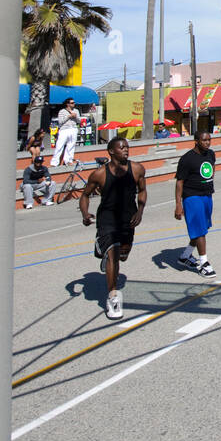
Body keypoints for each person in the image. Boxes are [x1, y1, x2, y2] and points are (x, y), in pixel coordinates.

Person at [79, 137, 146, 320]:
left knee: (123, 254)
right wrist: (85, 214)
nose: (126, 150)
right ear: (111, 151)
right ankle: (113, 298)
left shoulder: (137, 169)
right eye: (121, 147)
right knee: (113, 255)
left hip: (128, 218)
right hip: (107, 219)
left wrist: (140, 210)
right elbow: (84, 195)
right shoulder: (99, 174)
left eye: (127, 147)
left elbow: (142, 190)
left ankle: (105, 252)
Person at [174, 129, 218, 278]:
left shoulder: (211, 154)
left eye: (209, 140)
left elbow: (212, 169)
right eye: (204, 140)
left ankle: (185, 256)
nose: (207, 142)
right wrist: (178, 204)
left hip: (206, 195)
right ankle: (204, 263)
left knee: (202, 228)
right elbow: (179, 182)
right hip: (192, 197)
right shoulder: (187, 159)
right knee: (199, 230)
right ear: (196, 141)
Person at [51, 97, 80, 167]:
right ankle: (54, 162)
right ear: (68, 104)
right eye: (72, 103)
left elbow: (79, 121)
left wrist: (75, 117)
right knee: (59, 146)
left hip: (73, 128)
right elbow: (60, 122)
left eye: (74, 103)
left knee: (71, 145)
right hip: (64, 129)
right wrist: (69, 116)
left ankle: (68, 160)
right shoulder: (62, 111)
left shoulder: (76, 111)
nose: (74, 104)